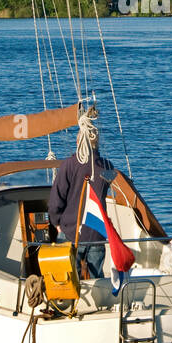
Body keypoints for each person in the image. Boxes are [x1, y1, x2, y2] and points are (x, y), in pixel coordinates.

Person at [47, 109, 116, 280]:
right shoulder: (108, 166)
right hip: (97, 232)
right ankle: (98, 303)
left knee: (68, 277)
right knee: (96, 278)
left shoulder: (69, 165)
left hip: (71, 230)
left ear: (79, 142)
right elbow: (106, 185)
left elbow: (57, 198)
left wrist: (56, 222)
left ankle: (70, 305)